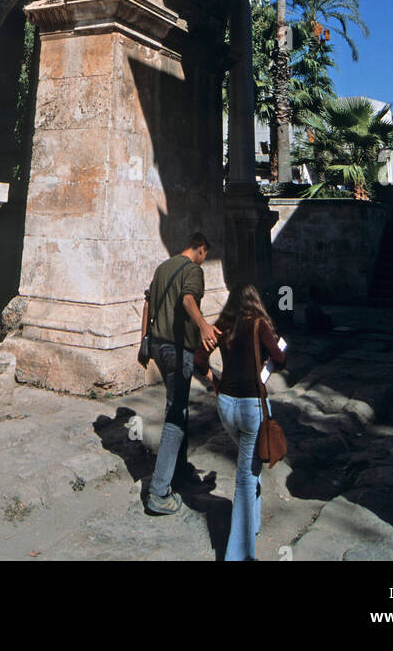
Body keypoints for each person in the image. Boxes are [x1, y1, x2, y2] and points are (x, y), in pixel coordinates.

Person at [195, 282, 286, 561]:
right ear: (256, 301)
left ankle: (251, 526)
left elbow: (199, 359)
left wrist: (215, 383)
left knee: (251, 465)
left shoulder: (222, 325)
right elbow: (280, 358)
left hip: (226, 404)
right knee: (246, 478)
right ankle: (239, 555)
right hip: (251, 407)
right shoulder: (260, 325)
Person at [141, 232, 219, 515]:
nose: (204, 258)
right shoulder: (193, 270)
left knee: (178, 407)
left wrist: (143, 342)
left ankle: (179, 472)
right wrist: (203, 326)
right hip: (177, 349)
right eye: (205, 254)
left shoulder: (163, 267)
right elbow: (188, 299)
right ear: (200, 248)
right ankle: (159, 492)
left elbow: (148, 302)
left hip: (159, 348)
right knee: (175, 416)